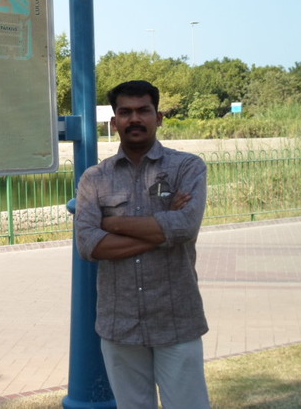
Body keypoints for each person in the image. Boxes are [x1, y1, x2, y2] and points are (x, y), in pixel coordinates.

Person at [74, 80, 210, 409]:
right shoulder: (95, 178)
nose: (135, 119)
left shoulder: (188, 167)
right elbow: (89, 245)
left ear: (158, 116)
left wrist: (111, 223)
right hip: (119, 322)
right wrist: (161, 228)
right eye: (125, 112)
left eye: (143, 111)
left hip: (176, 317)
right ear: (114, 120)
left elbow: (185, 226)